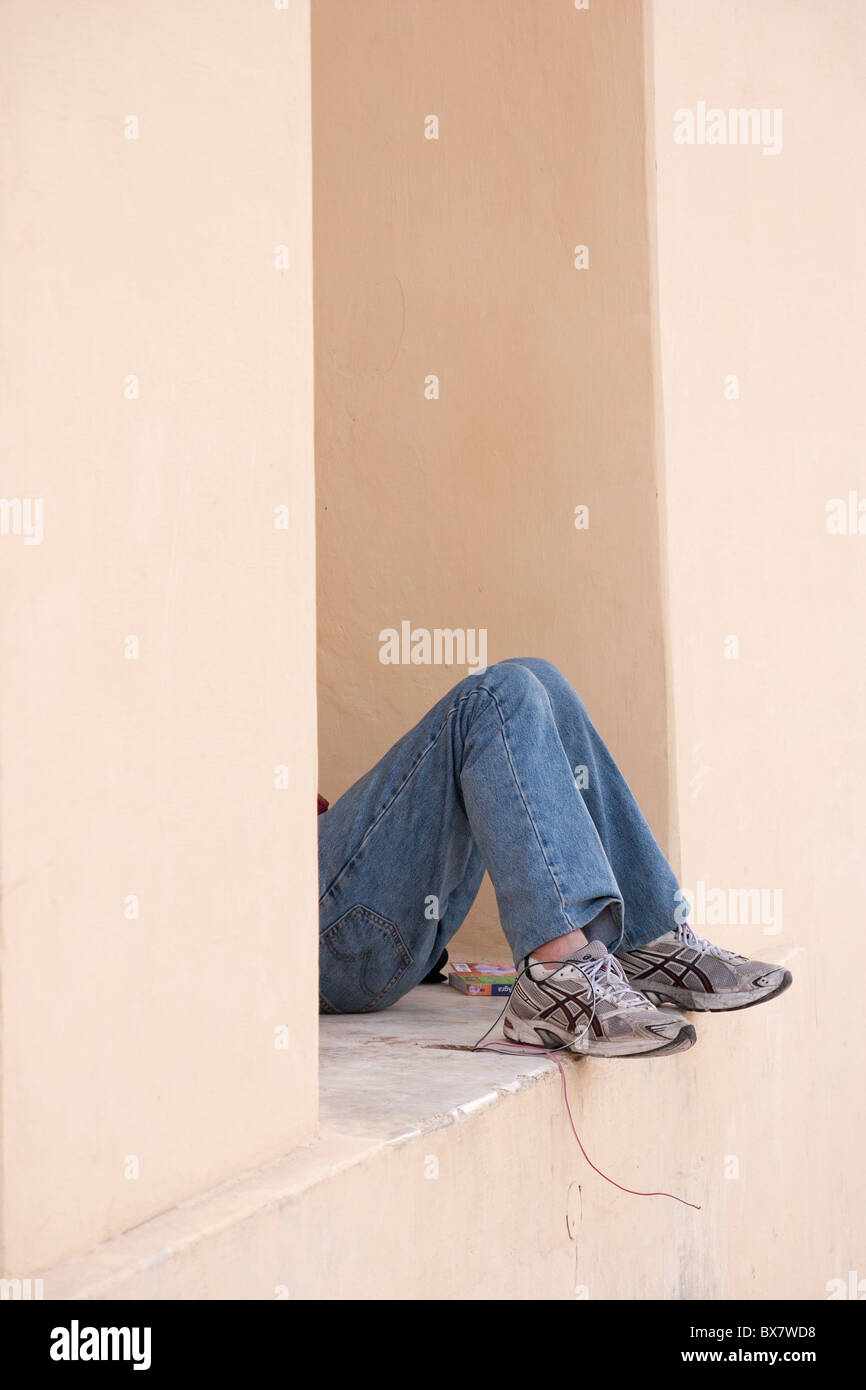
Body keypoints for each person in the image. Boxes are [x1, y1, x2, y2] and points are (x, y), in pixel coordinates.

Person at [317, 658, 791, 1058]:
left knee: (538, 678)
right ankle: (554, 976)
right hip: (314, 940)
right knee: (497, 696)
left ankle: (645, 941)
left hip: (358, 925)